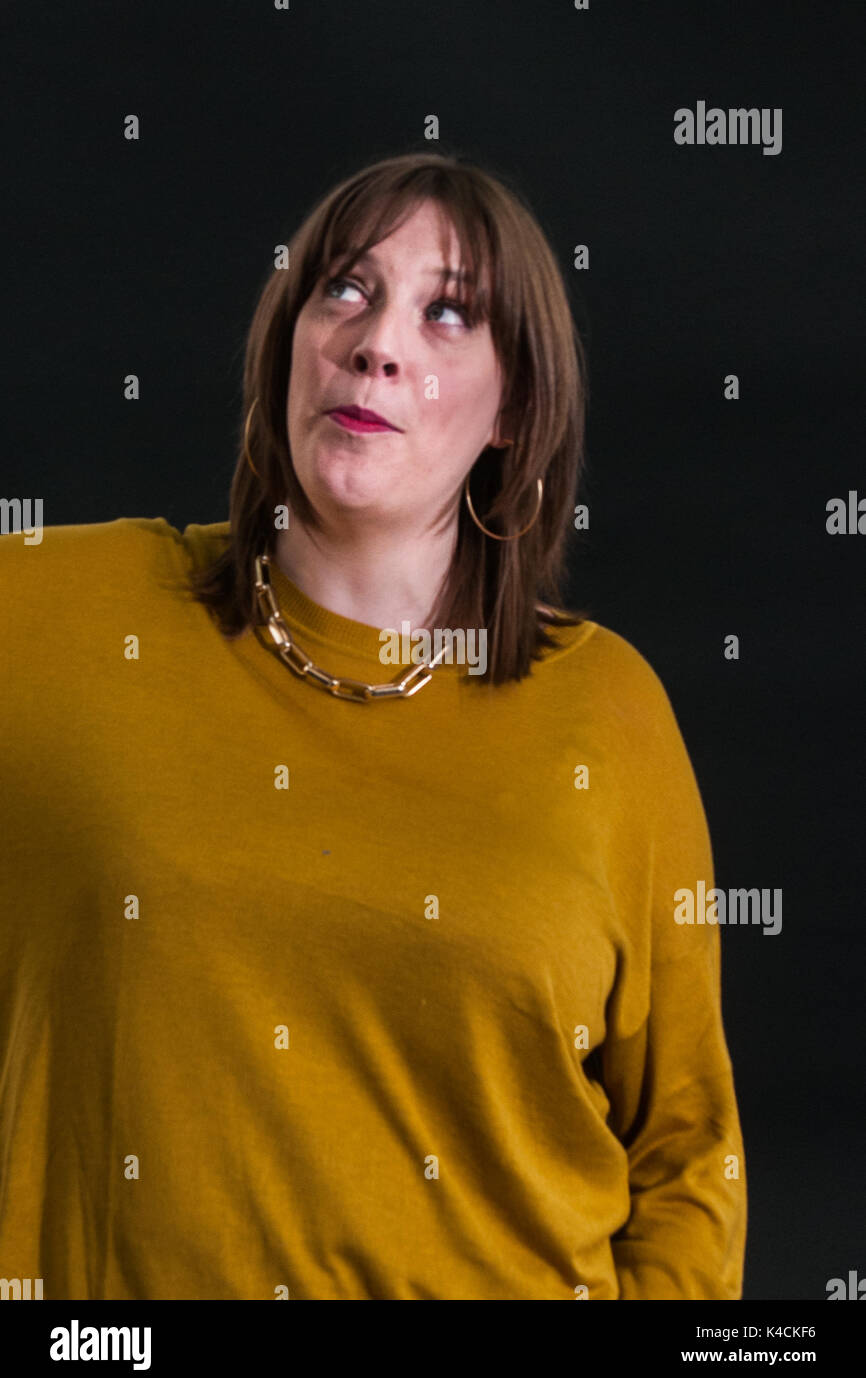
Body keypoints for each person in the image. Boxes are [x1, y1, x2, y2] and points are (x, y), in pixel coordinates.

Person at [0, 151, 746, 1300]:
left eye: (448, 313)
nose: (377, 340)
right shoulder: (62, 617)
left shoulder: (606, 713)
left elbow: (690, 1152)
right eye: (343, 288)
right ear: (287, 345)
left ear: (515, 409)